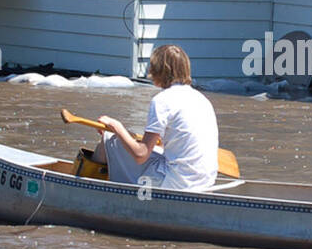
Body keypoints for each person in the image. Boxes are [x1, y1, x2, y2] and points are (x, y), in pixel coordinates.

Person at [92, 44, 219, 191]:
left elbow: (141, 154)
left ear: (159, 70)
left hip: (175, 183)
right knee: (129, 143)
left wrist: (117, 128)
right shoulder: (202, 99)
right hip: (206, 182)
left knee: (109, 140)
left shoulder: (162, 100)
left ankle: (90, 189)